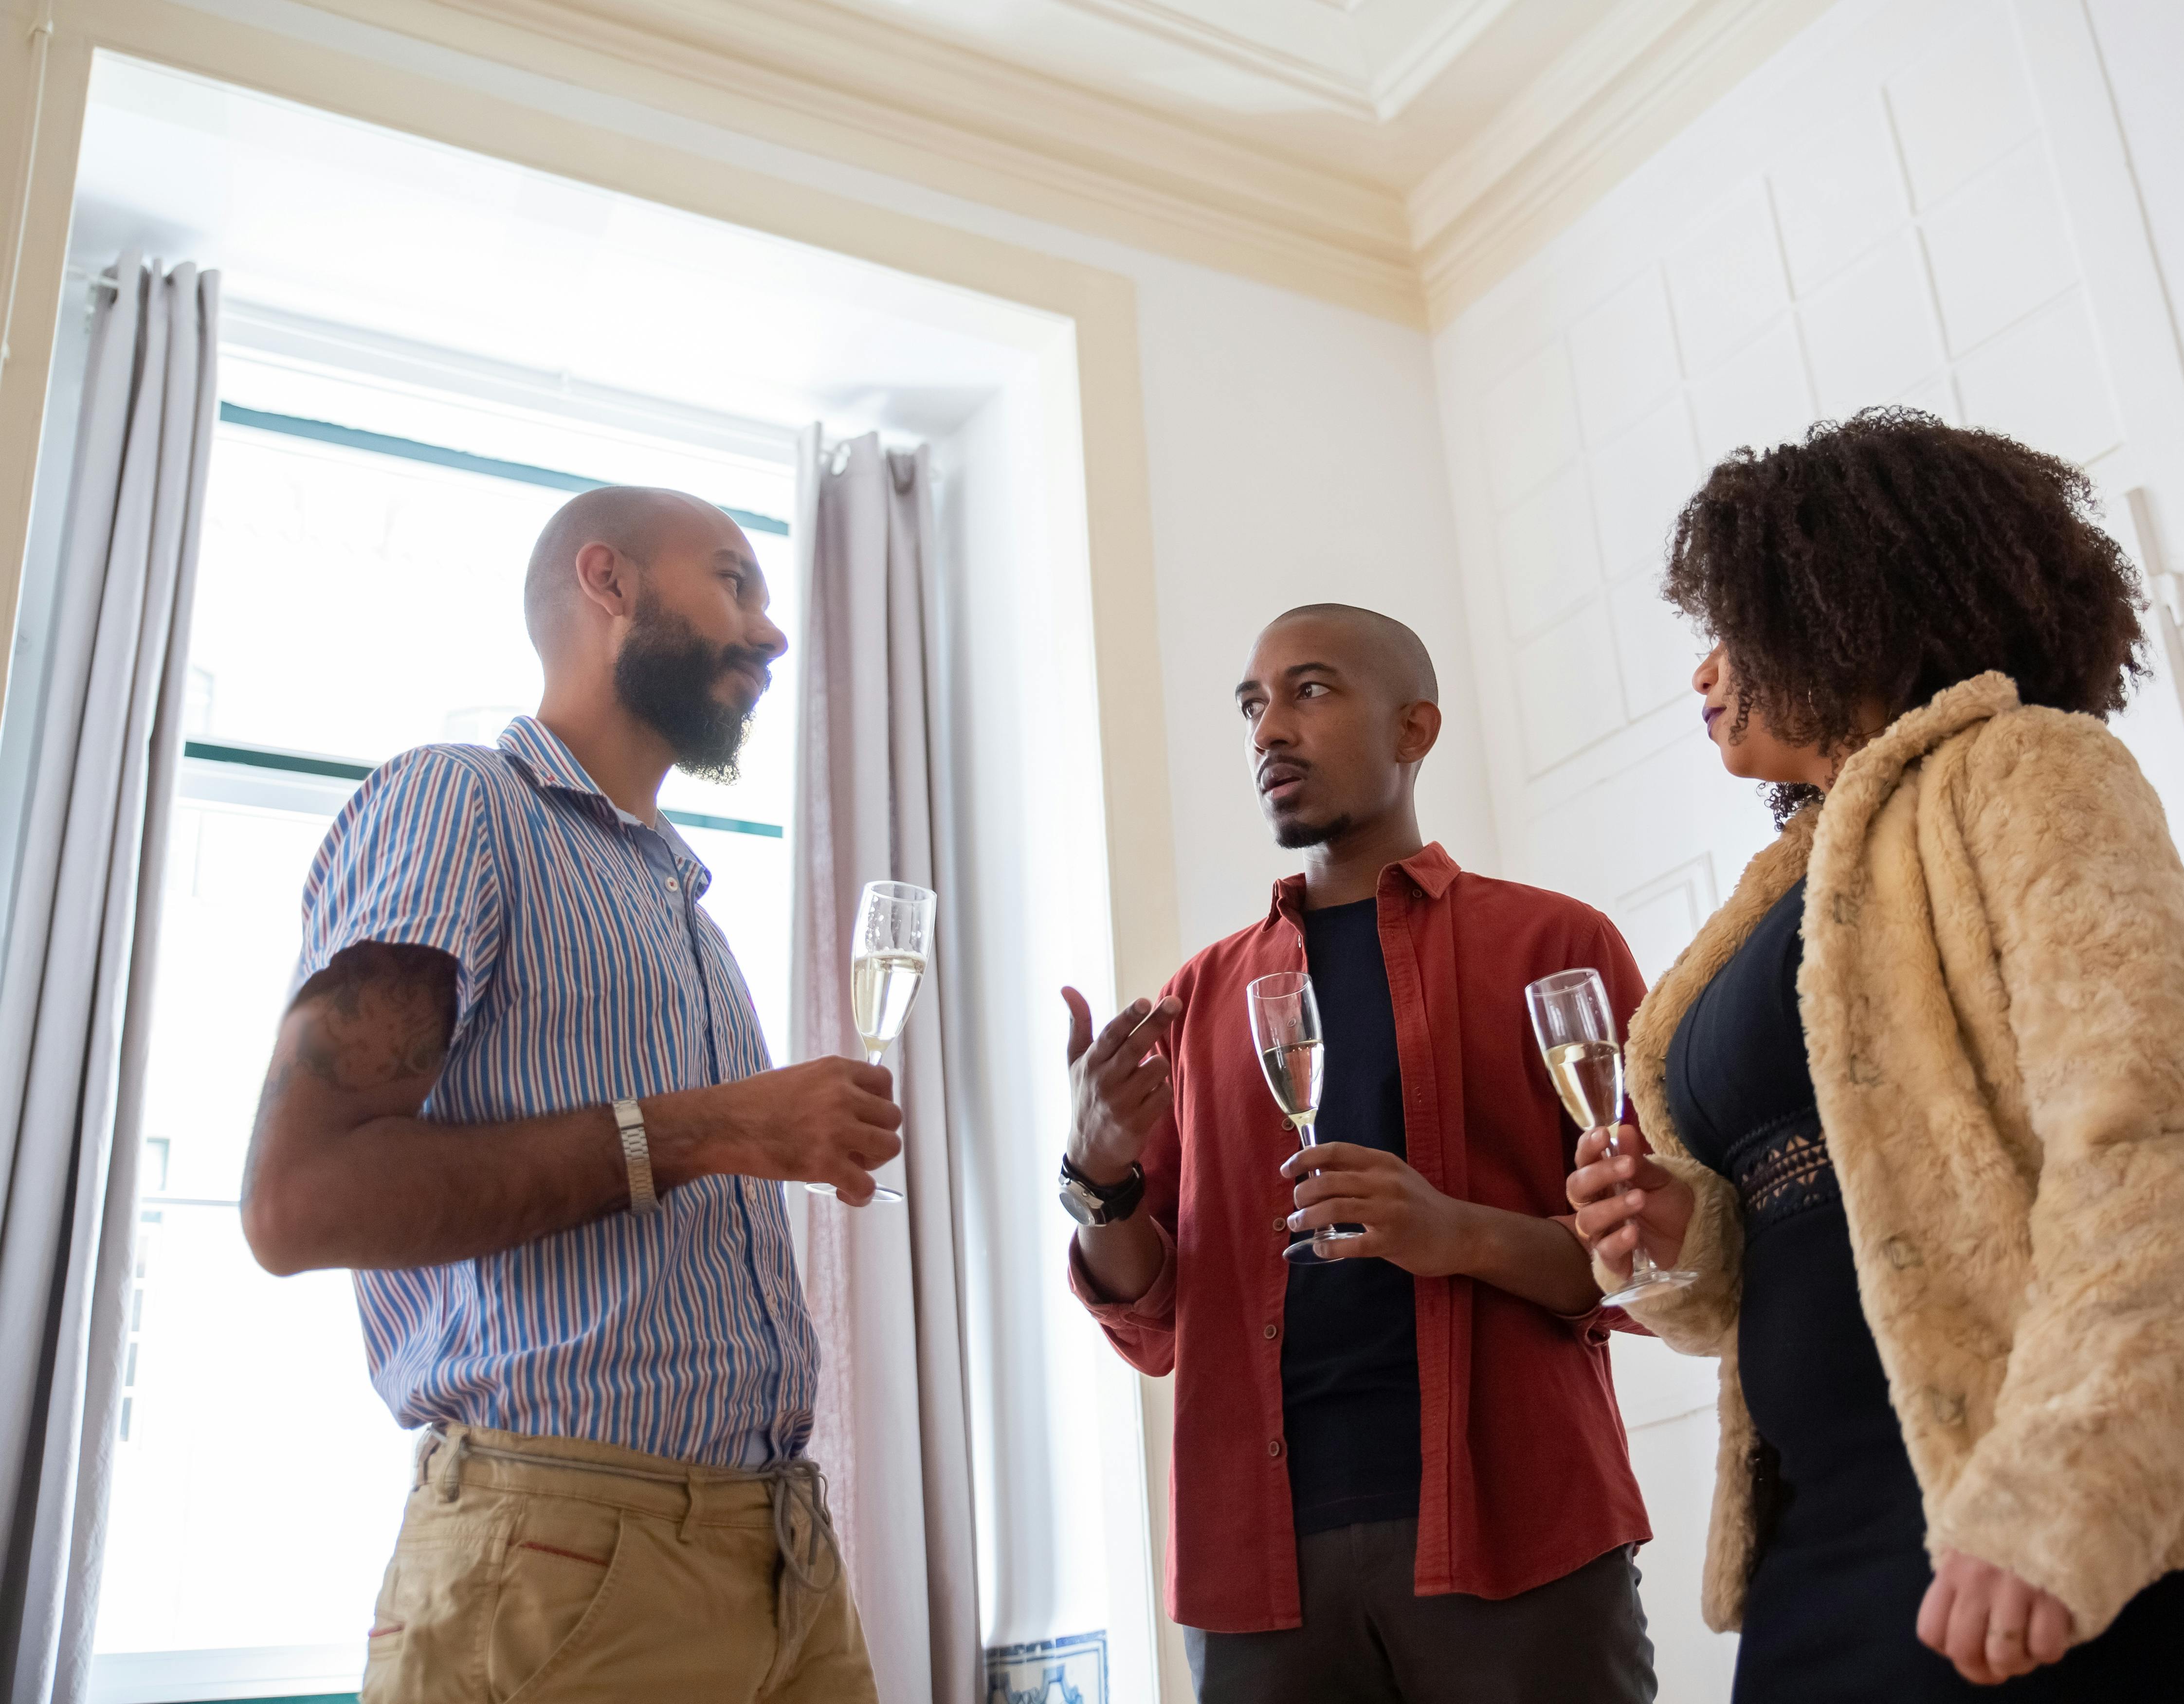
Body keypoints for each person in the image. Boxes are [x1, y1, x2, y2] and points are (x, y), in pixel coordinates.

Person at [1565, 409, 2184, 1701]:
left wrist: (2059, 1495)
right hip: (1834, 1530)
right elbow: (1815, 1221)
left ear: (1837, 607)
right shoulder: (1790, 885)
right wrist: (1679, 1233)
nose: (1704, 672)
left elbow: (2150, 1132)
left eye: (1733, 625)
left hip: (2075, 1517)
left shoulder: (2024, 769)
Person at [240, 486, 900, 1703]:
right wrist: (720, 1125)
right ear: (609, 582)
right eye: (734, 583)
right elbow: (300, 1201)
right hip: (563, 1553)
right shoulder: (460, 802)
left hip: (786, 1555)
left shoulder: (683, 906)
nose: (771, 632)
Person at [1062, 605, 1657, 1704]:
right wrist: (1097, 1178)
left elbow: (1650, 1263)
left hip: (1519, 1539)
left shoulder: (1555, 946)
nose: (1267, 730)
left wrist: (1456, 1231)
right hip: (1255, 1571)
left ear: (1413, 728)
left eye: (1309, 690)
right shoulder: (1200, 998)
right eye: (1251, 705)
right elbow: (1156, 1319)